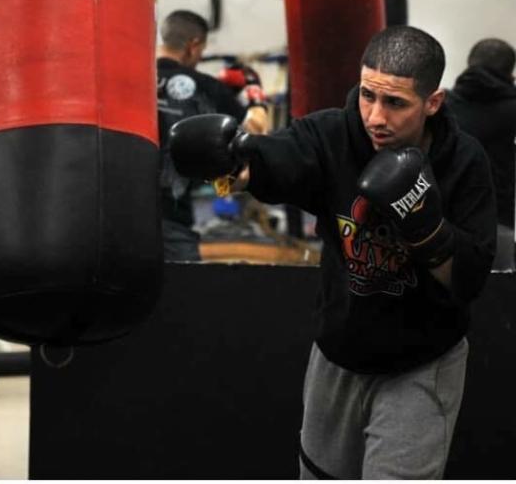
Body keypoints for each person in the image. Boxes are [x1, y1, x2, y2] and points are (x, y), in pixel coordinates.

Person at [169, 25, 496, 478]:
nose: (375, 117)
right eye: (367, 96)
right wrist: (231, 163)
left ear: (433, 103)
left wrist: (427, 229)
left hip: (422, 362)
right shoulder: (332, 135)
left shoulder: (464, 161)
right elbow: (274, 162)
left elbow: (470, 279)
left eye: (395, 103)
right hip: (339, 355)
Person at [157, 9, 268, 261]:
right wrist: (254, 91)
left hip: (119, 213)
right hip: (172, 219)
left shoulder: (134, 79)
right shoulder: (206, 87)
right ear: (193, 46)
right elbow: (256, 130)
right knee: (187, 294)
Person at [446, 38, 516, 269]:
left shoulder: (441, 106)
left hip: (447, 224)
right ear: (510, 71)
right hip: (500, 225)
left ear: (469, 64)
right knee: (499, 300)